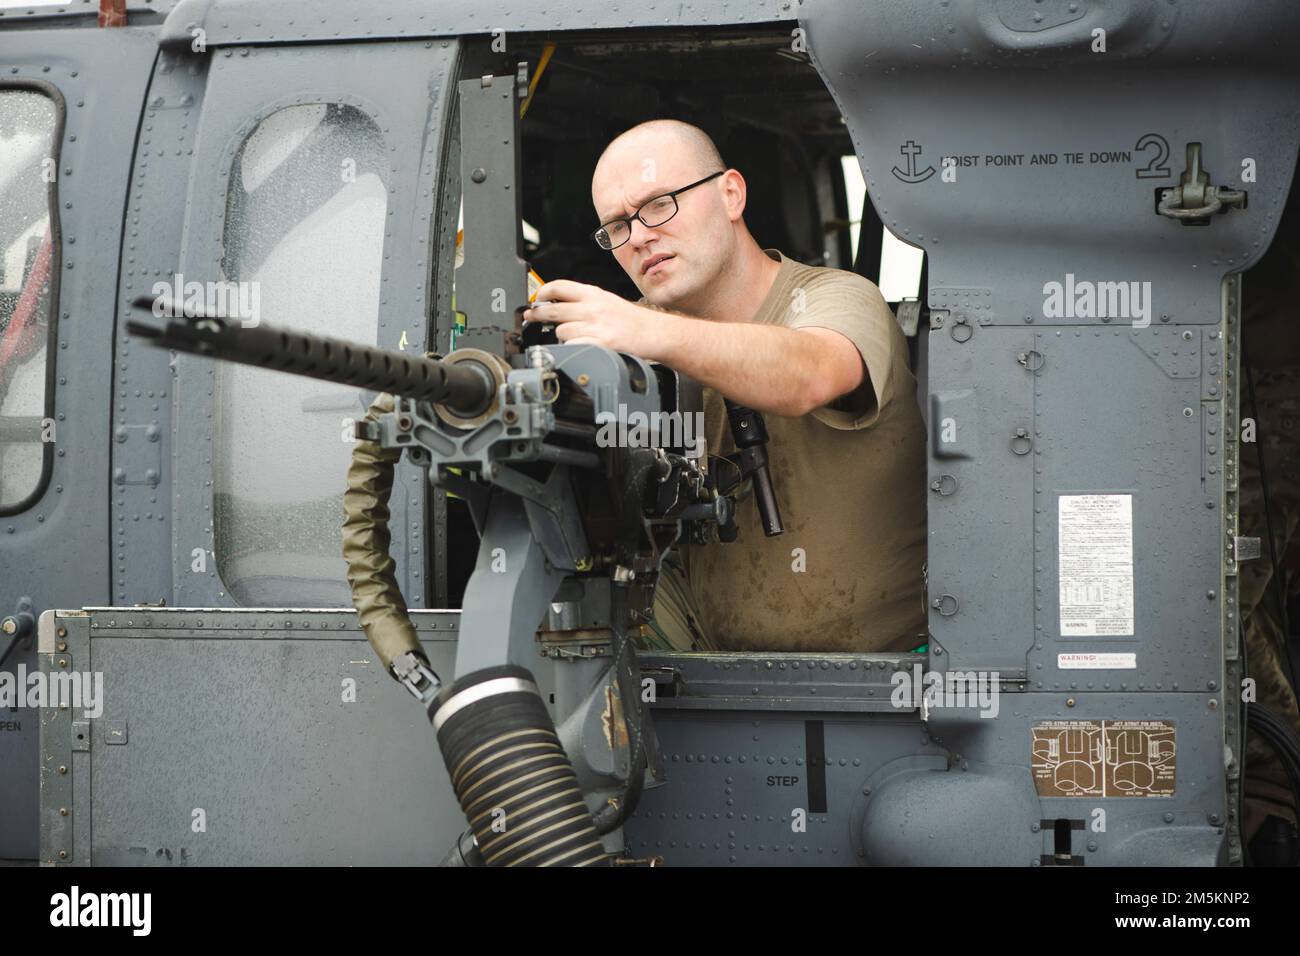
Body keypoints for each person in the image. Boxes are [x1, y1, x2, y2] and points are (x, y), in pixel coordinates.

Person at [523, 119, 927, 654]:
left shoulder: (837, 299)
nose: (640, 235)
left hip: (879, 686)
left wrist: (646, 330)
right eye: (617, 226)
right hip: (697, 684)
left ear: (731, 194)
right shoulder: (623, 343)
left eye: (659, 204)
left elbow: (811, 373)